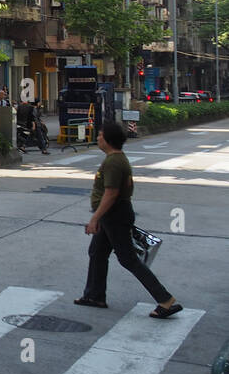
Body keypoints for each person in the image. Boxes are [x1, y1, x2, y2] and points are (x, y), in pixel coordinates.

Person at [76, 121, 183, 319]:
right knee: (97, 253)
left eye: (100, 135)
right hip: (111, 215)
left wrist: (95, 218)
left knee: (128, 259)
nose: (98, 138)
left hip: (114, 215)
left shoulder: (114, 162)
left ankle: (165, 300)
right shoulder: (114, 159)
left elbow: (111, 194)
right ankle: (94, 295)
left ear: (108, 140)